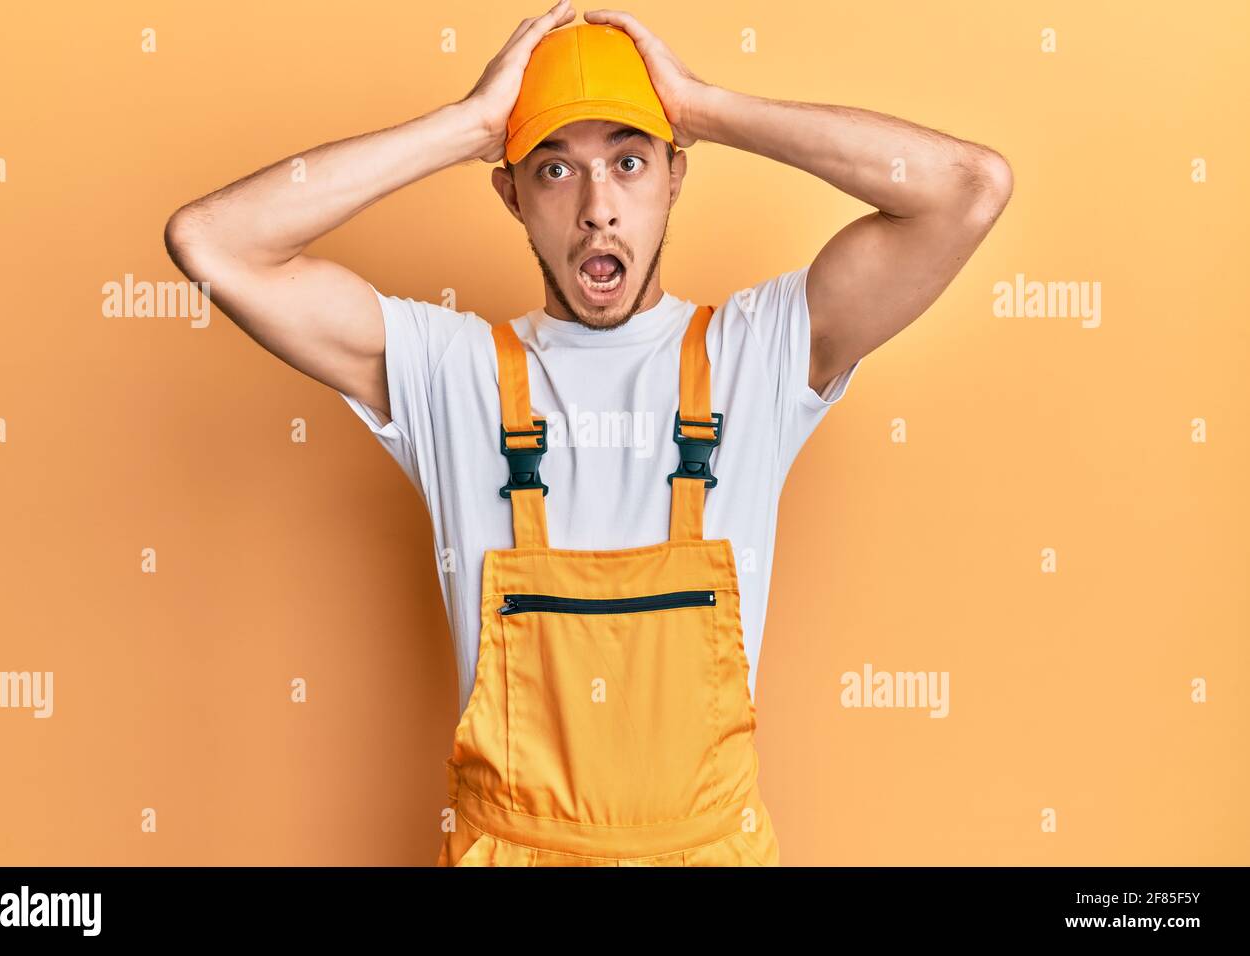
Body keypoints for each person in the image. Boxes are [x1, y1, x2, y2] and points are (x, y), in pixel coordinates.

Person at [164, 1, 1012, 866]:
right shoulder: (449, 373)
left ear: (676, 176)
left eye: (631, 162)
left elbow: (968, 188)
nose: (599, 209)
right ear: (513, 194)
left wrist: (706, 108)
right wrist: (468, 127)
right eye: (557, 171)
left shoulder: (756, 356)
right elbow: (212, 241)